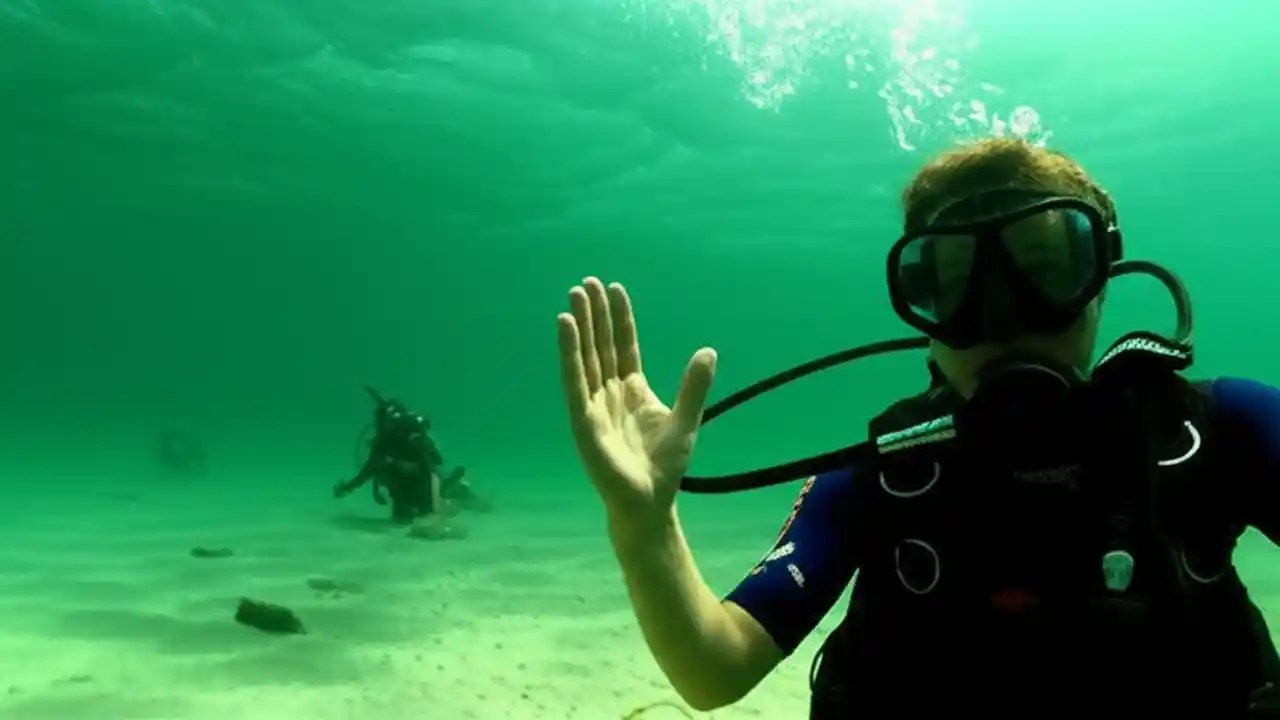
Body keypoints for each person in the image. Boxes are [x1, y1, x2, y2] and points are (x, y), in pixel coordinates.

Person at [555, 138, 1280, 714]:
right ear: (923, 313)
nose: (1001, 319)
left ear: (1100, 288)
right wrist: (643, 528)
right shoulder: (886, 474)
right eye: (958, 286)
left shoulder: (1217, 430)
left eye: (1045, 271)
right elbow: (715, 670)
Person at [334, 386, 479, 530]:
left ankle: (460, 493)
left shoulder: (405, 440)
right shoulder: (384, 443)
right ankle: (456, 493)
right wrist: (348, 488)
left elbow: (431, 463)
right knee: (404, 519)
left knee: (425, 514)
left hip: (422, 480)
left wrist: (347, 488)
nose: (383, 426)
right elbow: (369, 470)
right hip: (405, 485)